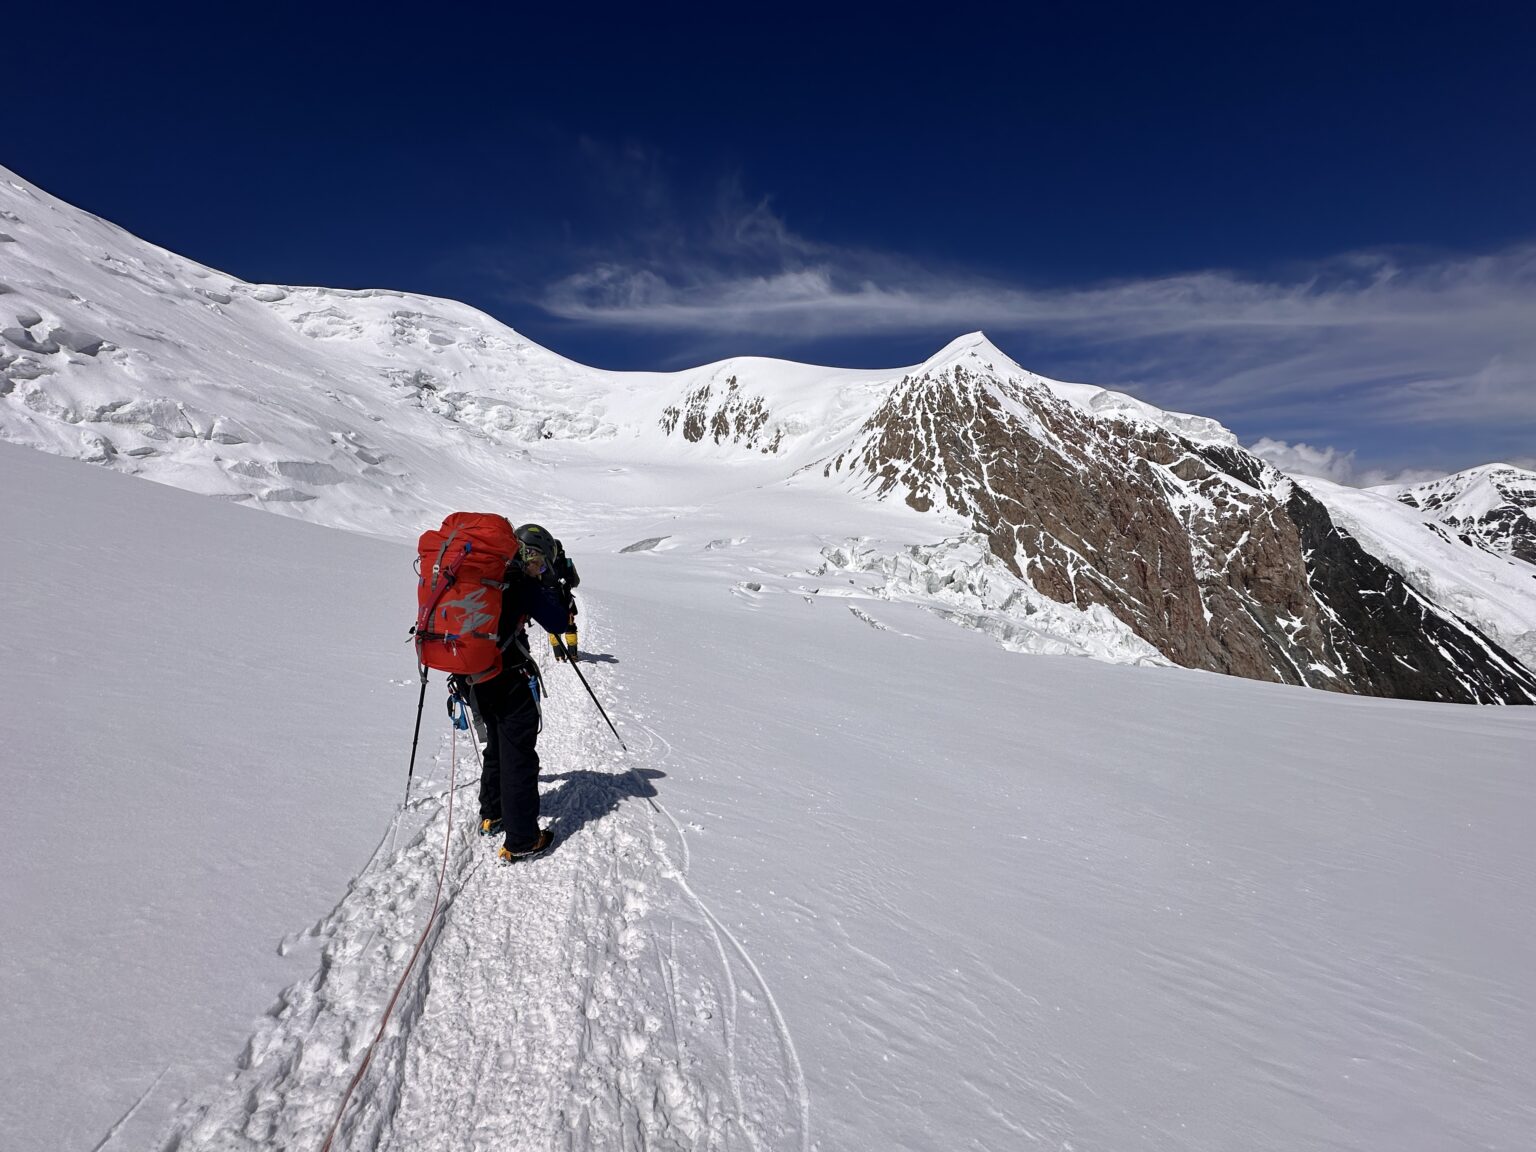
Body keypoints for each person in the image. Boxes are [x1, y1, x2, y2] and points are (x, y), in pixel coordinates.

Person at [471, 530, 571, 862]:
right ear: (530, 556)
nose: (539, 568)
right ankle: (522, 838)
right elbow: (557, 621)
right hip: (509, 678)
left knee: (497, 746)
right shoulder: (520, 582)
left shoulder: (488, 576)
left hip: (474, 677)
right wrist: (549, 586)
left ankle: (492, 813)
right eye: (539, 562)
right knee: (518, 757)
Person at [515, 523, 581, 662]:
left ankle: (558, 655)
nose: (540, 570)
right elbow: (575, 581)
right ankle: (572, 654)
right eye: (541, 564)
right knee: (569, 625)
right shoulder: (566, 563)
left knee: (554, 631)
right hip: (564, 598)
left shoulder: (500, 574)